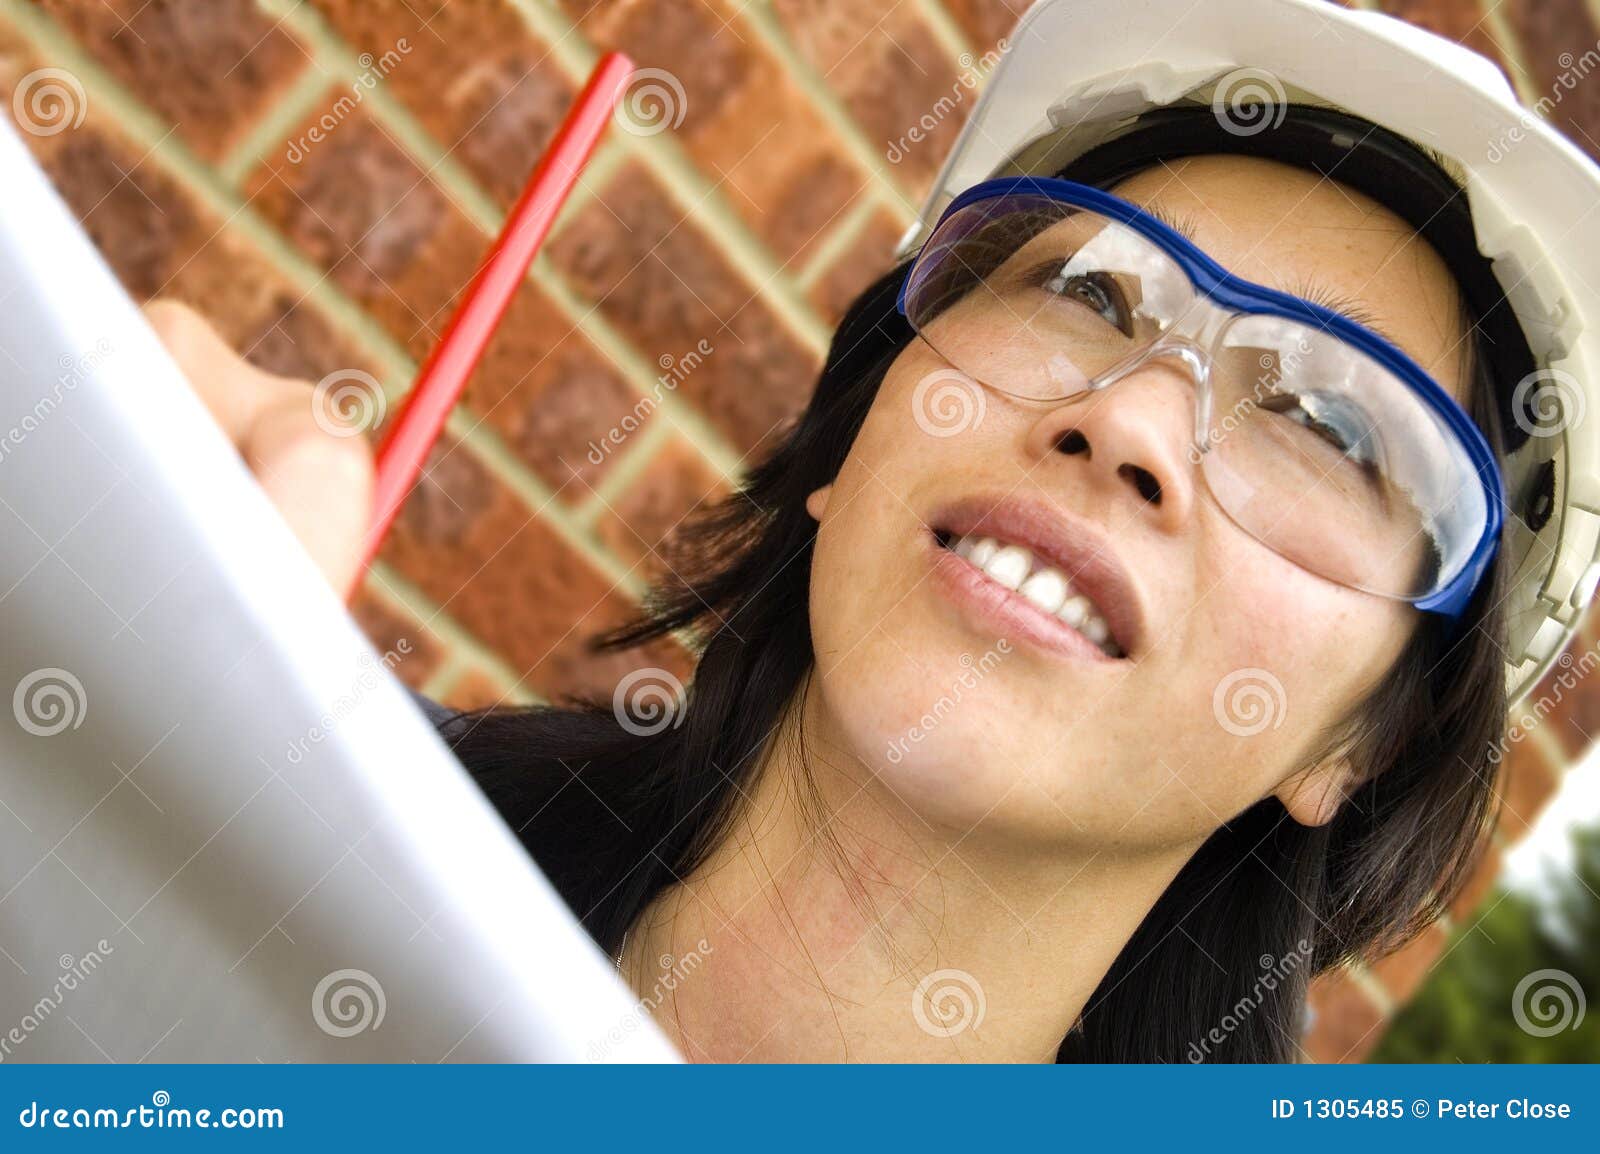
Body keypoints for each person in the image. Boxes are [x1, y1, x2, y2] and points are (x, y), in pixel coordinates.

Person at [148, 0, 1600, 1061]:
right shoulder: (215, 822)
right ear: (856, 445)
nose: (1132, 421)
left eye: (1335, 428)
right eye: (1087, 292)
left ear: (1361, 742)